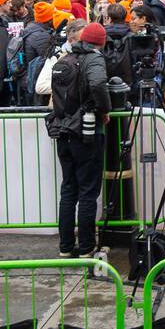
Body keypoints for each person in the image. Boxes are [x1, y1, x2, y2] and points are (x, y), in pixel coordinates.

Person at [46, 22, 111, 258]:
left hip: (63, 130)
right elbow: (97, 84)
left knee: (69, 189)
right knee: (87, 192)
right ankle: (86, 248)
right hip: (86, 132)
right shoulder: (93, 59)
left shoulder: (66, 58)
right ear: (100, 43)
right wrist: (105, 110)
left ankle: (65, 247)